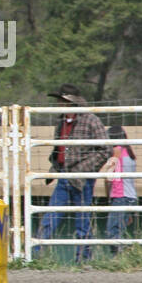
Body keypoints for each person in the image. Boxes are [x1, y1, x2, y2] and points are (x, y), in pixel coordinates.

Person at [36, 83, 109, 261]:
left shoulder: (90, 120)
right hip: (64, 176)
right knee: (51, 216)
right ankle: (37, 254)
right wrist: (57, 165)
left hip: (82, 178)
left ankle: (83, 258)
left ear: (71, 102)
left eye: (62, 100)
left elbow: (105, 149)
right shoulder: (61, 121)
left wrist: (83, 168)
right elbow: (60, 148)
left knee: (82, 219)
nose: (59, 104)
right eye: (60, 101)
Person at [99, 125, 137, 253]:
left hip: (120, 197)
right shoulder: (130, 154)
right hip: (131, 197)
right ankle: (122, 255)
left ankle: (119, 257)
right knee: (118, 231)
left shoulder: (116, 151)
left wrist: (107, 197)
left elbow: (109, 176)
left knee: (112, 232)